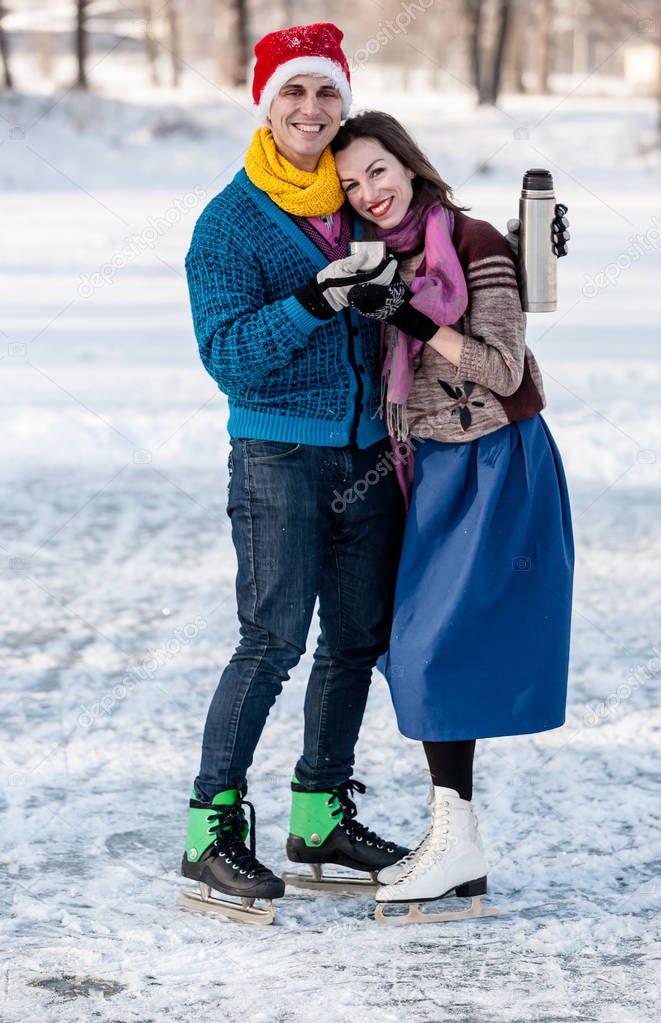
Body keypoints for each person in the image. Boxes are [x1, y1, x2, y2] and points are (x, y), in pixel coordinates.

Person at [181, 28, 408, 922]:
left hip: (368, 451)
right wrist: (313, 302)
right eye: (294, 95)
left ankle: (318, 819)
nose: (312, 111)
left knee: (355, 638)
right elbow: (230, 359)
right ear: (264, 105)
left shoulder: (361, 197)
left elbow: (433, 268)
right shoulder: (229, 223)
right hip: (277, 452)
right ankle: (209, 833)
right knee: (272, 640)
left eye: (326, 94)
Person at [331, 112, 574, 918]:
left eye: (377, 170)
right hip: (428, 467)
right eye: (352, 185)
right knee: (415, 649)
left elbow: (504, 369)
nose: (370, 192)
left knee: (435, 649)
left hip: (496, 462)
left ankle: (455, 840)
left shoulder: (473, 243)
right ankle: (455, 837)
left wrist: (404, 311)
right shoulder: (380, 256)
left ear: (407, 161)